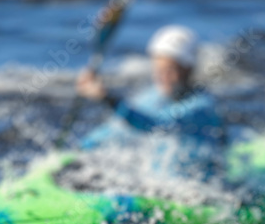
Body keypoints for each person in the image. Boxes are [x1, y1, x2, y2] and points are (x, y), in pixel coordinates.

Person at [75, 25, 224, 176]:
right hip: (162, 184)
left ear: (188, 69)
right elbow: (118, 127)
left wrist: (107, 98)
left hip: (200, 187)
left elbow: (157, 124)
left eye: (171, 70)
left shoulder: (201, 106)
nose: (163, 77)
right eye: (159, 70)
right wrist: (83, 147)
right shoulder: (154, 96)